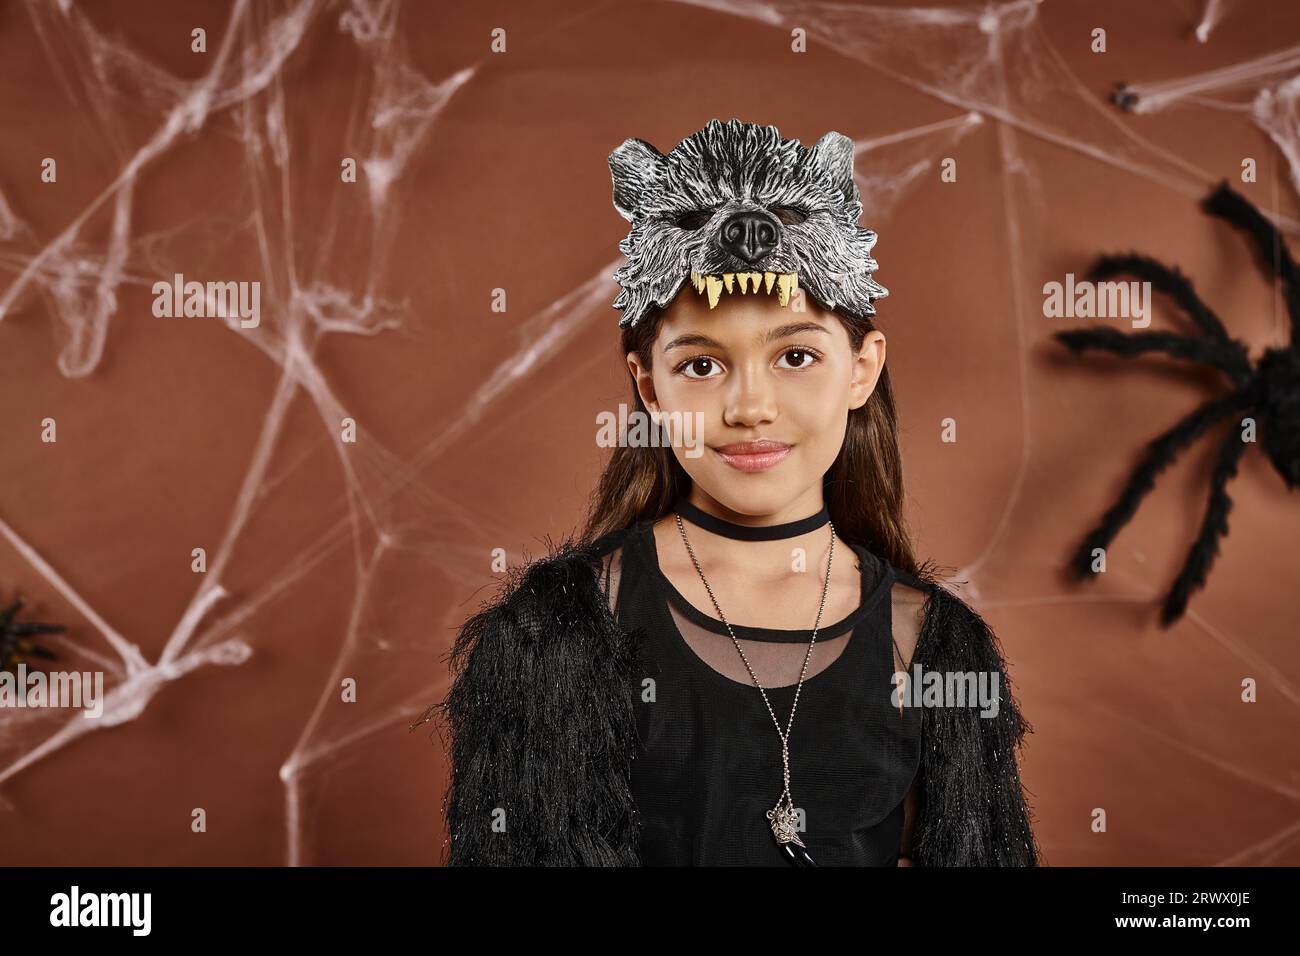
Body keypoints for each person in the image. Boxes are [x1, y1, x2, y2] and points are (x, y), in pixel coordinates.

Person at [414, 118, 1043, 867]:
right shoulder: (555, 635)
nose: (750, 407)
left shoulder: (936, 646)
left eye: (797, 355)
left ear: (861, 369)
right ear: (649, 385)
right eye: (703, 367)